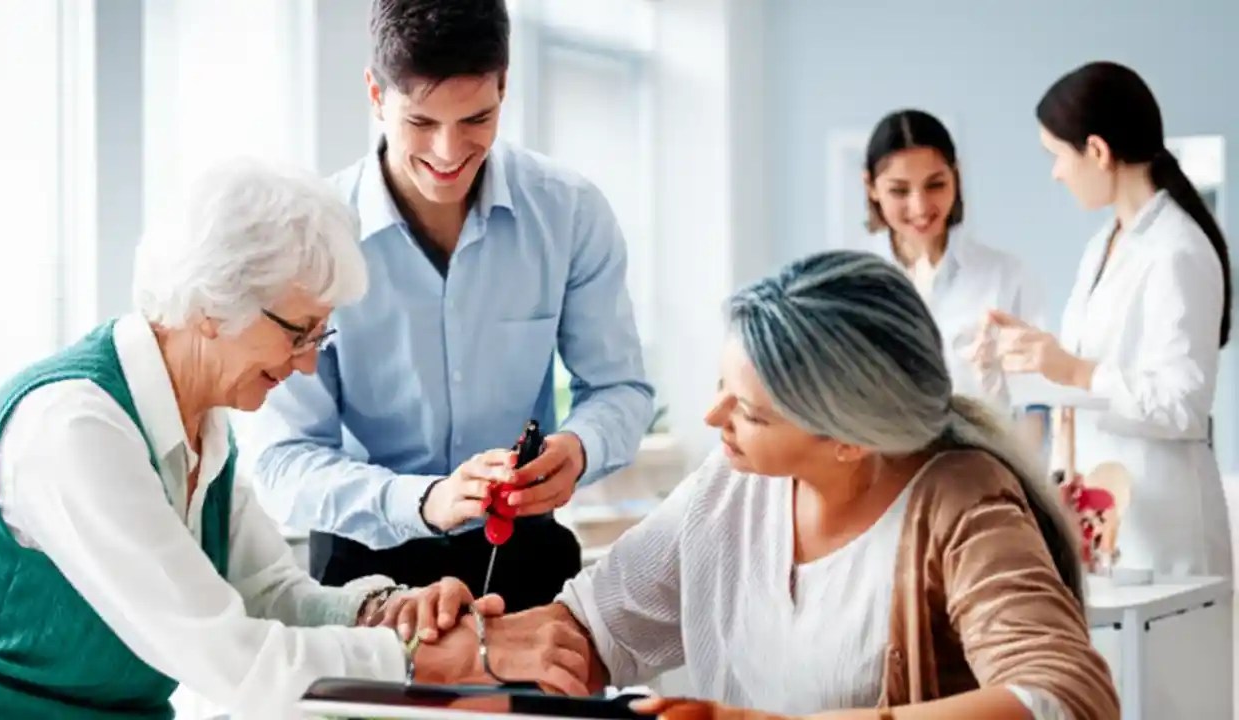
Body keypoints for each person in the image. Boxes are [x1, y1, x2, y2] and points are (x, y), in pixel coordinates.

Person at [0, 159, 590, 720]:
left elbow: (270, 596)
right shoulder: (76, 431)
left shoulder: (202, 423)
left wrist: (389, 615)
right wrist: (446, 659)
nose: (309, 365)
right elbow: (233, 659)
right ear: (210, 305)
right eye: (299, 332)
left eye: (321, 335)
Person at [385, 251, 1120, 719]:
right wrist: (456, 630)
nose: (712, 417)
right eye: (719, 387)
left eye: (751, 411)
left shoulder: (961, 501)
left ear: (847, 438)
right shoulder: (732, 484)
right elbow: (588, 631)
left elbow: (1064, 698)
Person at [251, 0, 654, 612]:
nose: (448, 152)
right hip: (365, 566)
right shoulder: (312, 237)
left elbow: (620, 387)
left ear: (504, 86)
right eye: (420, 121)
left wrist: (582, 448)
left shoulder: (569, 212)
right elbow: (283, 459)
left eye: (477, 118)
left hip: (526, 557)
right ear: (374, 93)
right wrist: (424, 501)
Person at [988, 60, 1233, 578]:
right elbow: (1096, 368)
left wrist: (1072, 369)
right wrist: (1034, 353)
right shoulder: (1105, 244)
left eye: (1056, 156)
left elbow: (1181, 405)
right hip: (1109, 523)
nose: (1055, 172)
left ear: (1096, 151)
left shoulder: (1176, 250)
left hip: (1165, 532)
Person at [861, 109, 1045, 411]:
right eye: (899, 190)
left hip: (984, 453)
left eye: (935, 185)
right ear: (871, 187)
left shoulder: (1006, 276)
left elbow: (1035, 403)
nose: (920, 207)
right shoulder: (851, 283)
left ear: (955, 177)